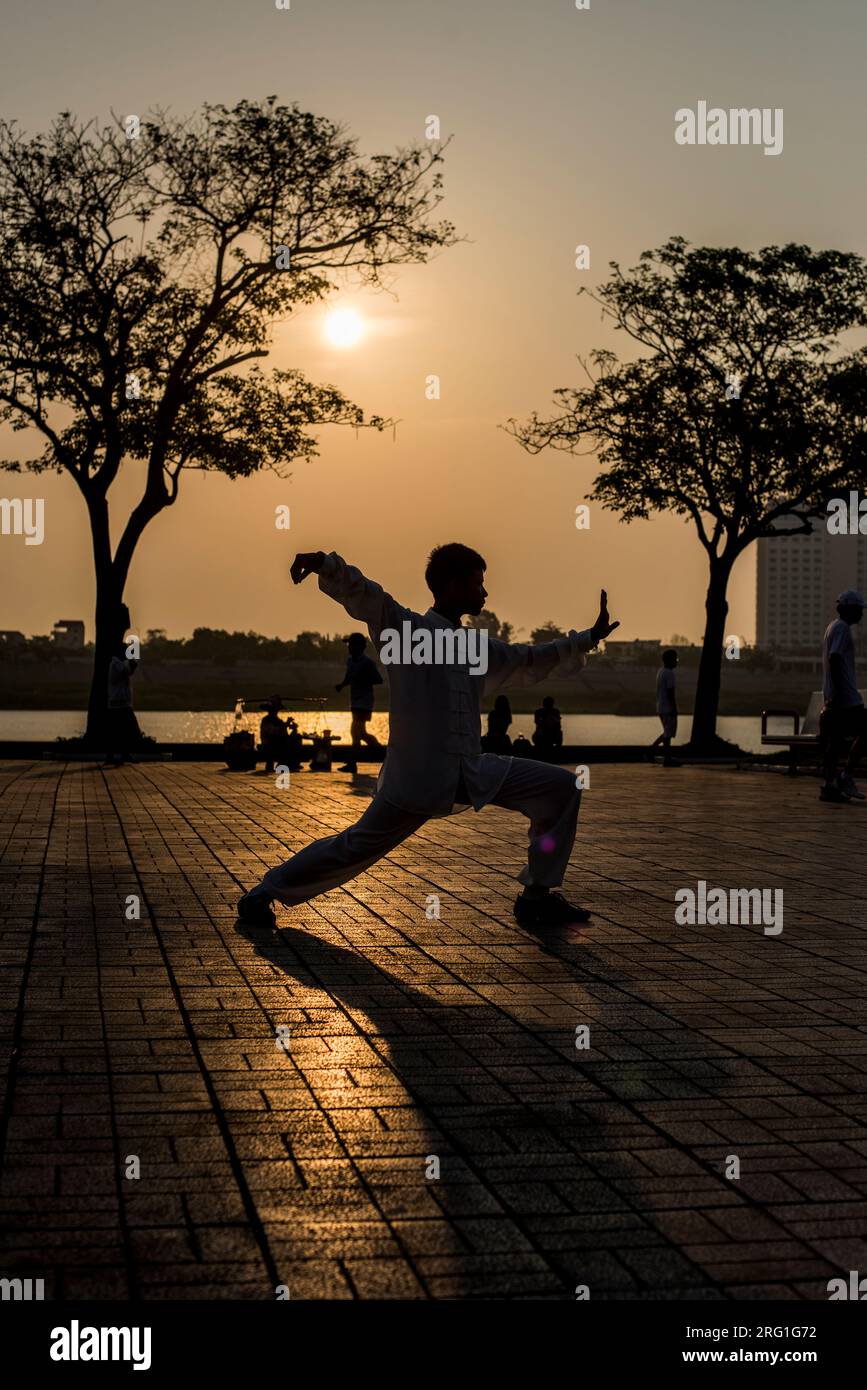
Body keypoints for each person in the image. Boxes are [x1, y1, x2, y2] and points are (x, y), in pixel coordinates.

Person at [237, 542, 619, 932]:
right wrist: (323, 563)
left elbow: (532, 657)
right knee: (355, 846)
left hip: (472, 771)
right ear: (453, 586)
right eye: (478, 583)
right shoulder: (406, 631)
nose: (484, 593)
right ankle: (264, 892)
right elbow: (365, 593)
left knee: (562, 789)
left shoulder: (474, 648)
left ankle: (536, 898)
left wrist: (590, 636)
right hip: (417, 779)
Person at [819, 590, 867, 803]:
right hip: (846, 698)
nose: (861, 613)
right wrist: (839, 693)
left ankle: (829, 786)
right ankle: (846, 775)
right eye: (858, 609)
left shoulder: (832, 627)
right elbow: (836, 657)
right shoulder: (842, 629)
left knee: (835, 742)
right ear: (847, 608)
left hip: (834, 696)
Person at [335, 632, 383, 771]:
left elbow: (378, 679)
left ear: (360, 647)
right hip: (355, 702)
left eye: (351, 644)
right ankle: (382, 754)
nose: (349, 647)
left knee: (355, 732)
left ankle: (352, 763)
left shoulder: (368, 663)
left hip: (365, 702)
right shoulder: (350, 661)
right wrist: (342, 685)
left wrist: (363, 679)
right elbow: (349, 677)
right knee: (361, 734)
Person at [103, 610, 141, 767]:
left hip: (123, 702)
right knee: (121, 729)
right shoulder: (115, 663)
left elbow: (130, 669)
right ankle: (113, 755)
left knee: (121, 730)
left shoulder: (120, 662)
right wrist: (132, 660)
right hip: (118, 702)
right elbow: (127, 670)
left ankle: (121, 754)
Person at [649, 649, 681, 767]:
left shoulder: (661, 671)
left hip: (661, 707)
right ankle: (666, 758)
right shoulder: (669, 673)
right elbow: (670, 692)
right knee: (668, 734)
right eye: (676, 659)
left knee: (667, 733)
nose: (677, 661)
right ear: (671, 660)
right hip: (667, 707)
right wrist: (674, 707)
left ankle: (652, 750)